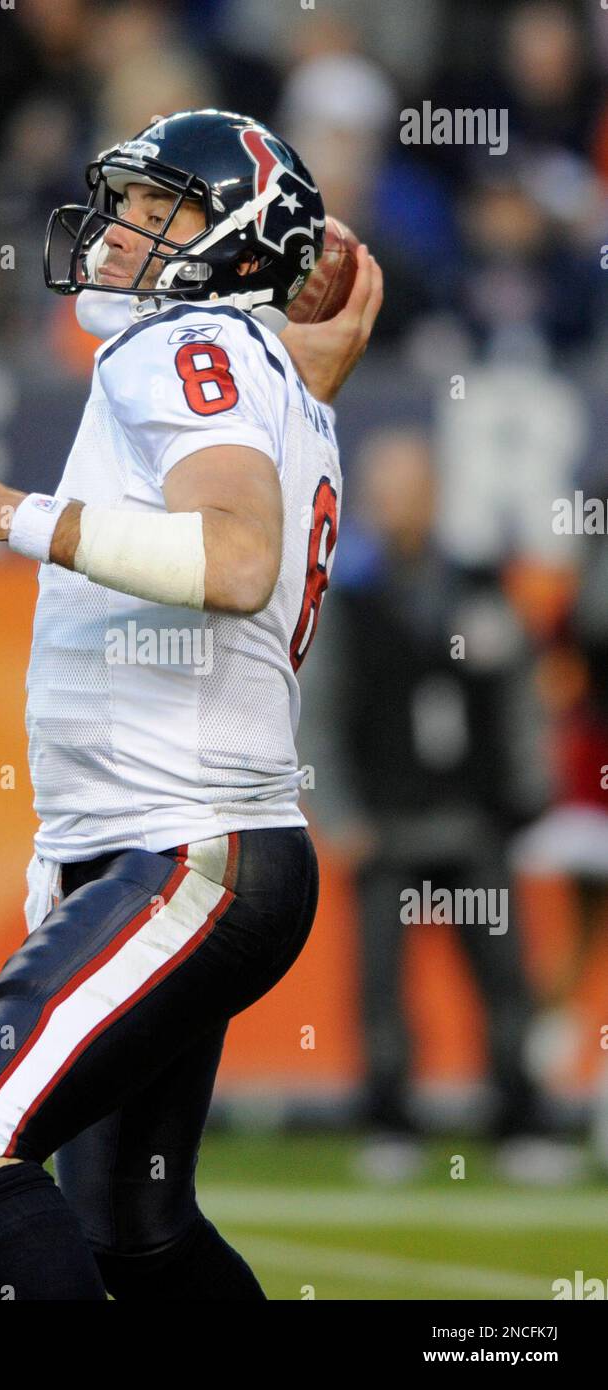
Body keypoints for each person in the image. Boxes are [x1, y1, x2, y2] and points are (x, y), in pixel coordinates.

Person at [0, 109, 383, 1300]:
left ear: (236, 243)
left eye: (162, 211)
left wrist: (11, 514)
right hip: (179, 844)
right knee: (130, 1226)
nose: (120, 229)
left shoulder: (178, 349)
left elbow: (236, 557)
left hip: (189, 848)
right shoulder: (266, 379)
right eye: (127, 201)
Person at [297, 429, 573, 1183]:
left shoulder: (477, 587)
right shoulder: (347, 597)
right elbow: (316, 711)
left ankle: (520, 1119)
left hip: (473, 818)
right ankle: (390, 1121)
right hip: (384, 824)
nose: (397, 507)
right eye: (384, 492)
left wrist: (526, 794)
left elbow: (521, 697)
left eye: (409, 490)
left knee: (503, 979)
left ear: (434, 495)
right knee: (381, 987)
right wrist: (340, 812)